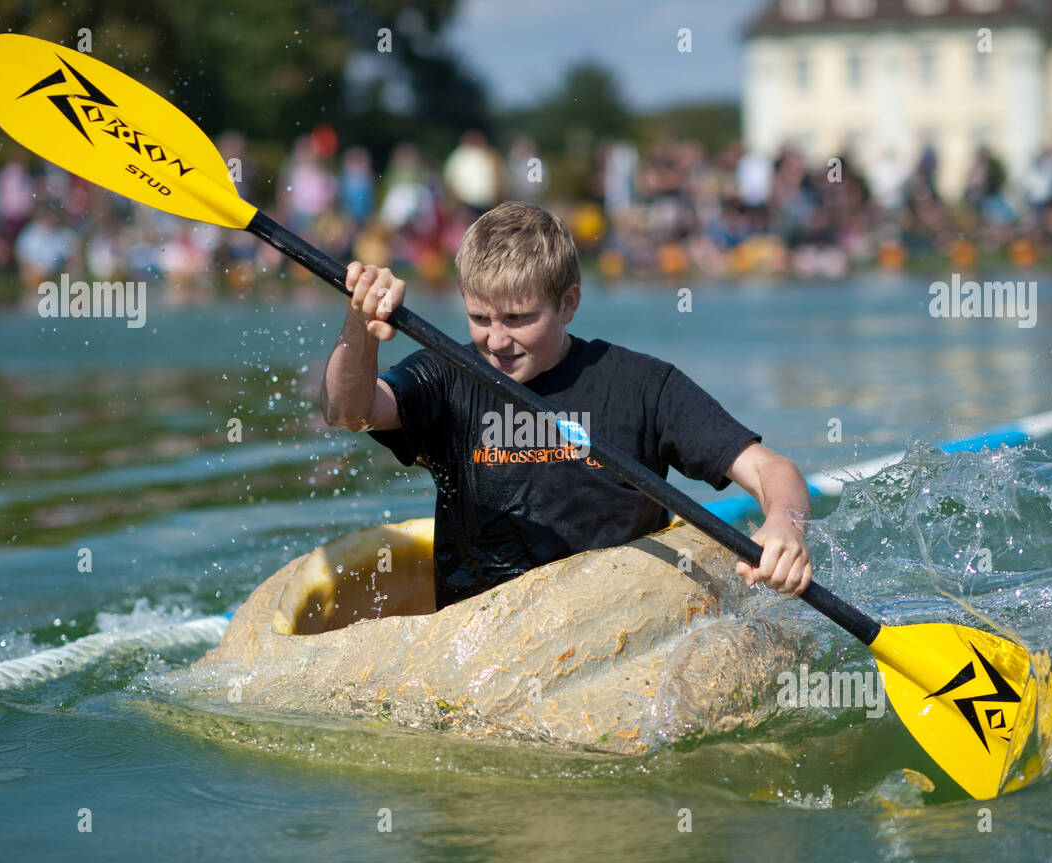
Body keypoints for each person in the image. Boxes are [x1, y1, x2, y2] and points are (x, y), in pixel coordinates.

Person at [321, 201, 812, 610]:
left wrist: (782, 527)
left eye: (518, 318)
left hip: (620, 622)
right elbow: (348, 412)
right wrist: (359, 327)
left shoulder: (643, 383)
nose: (496, 341)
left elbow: (772, 470)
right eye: (478, 316)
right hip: (482, 639)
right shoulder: (446, 375)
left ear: (568, 303)